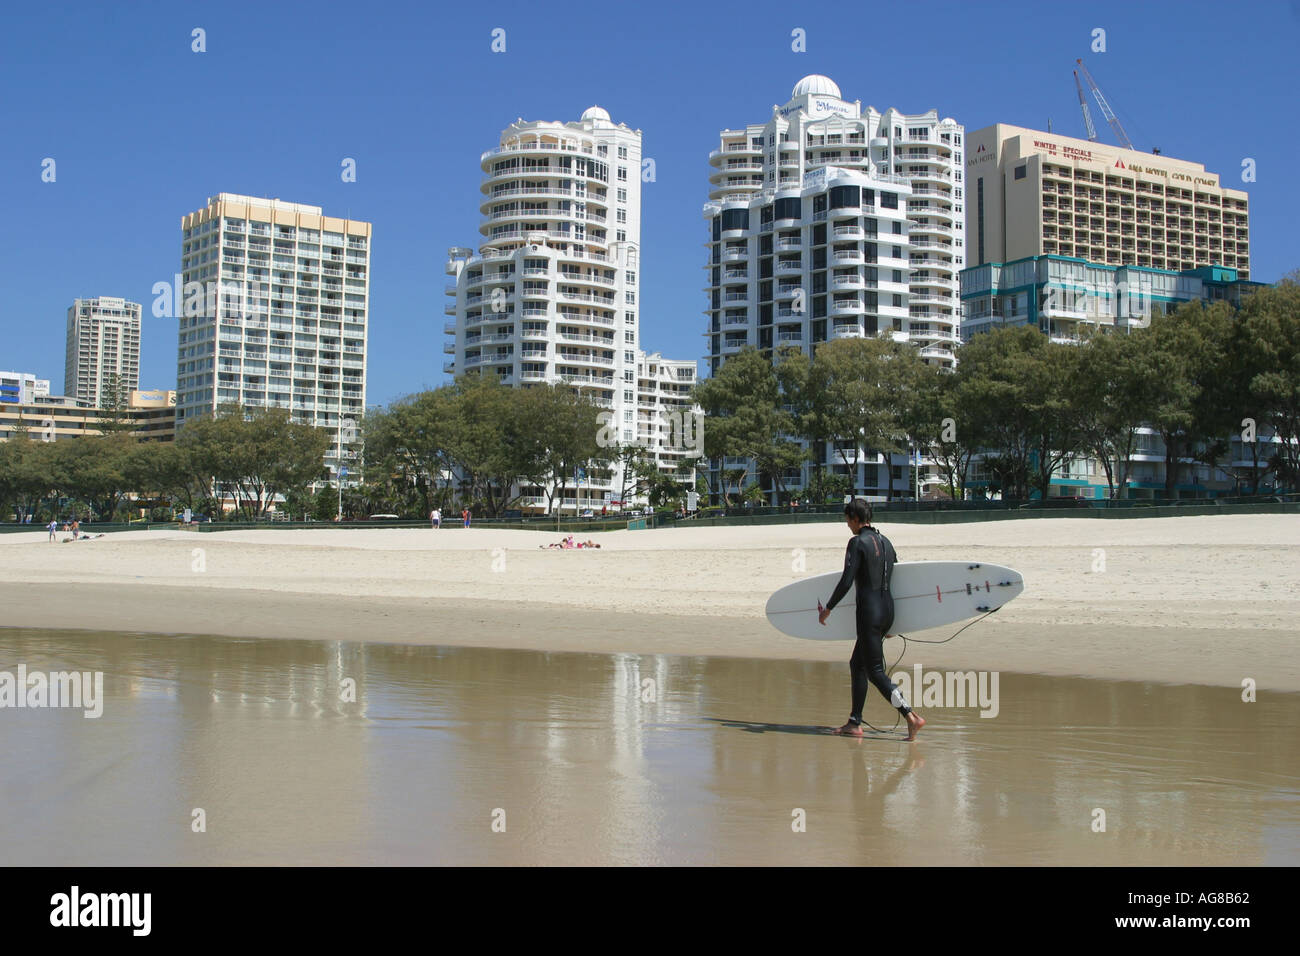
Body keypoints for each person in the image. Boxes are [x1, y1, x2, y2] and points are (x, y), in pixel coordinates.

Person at [819, 499, 925, 741]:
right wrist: (894, 624)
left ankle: (911, 716)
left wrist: (828, 608)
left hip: (869, 612)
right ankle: (854, 722)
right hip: (888, 611)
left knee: (876, 671)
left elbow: (847, 580)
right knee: (858, 664)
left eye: (848, 520)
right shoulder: (886, 542)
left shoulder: (857, 542)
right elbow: (898, 576)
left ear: (856, 518)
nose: (847, 525)